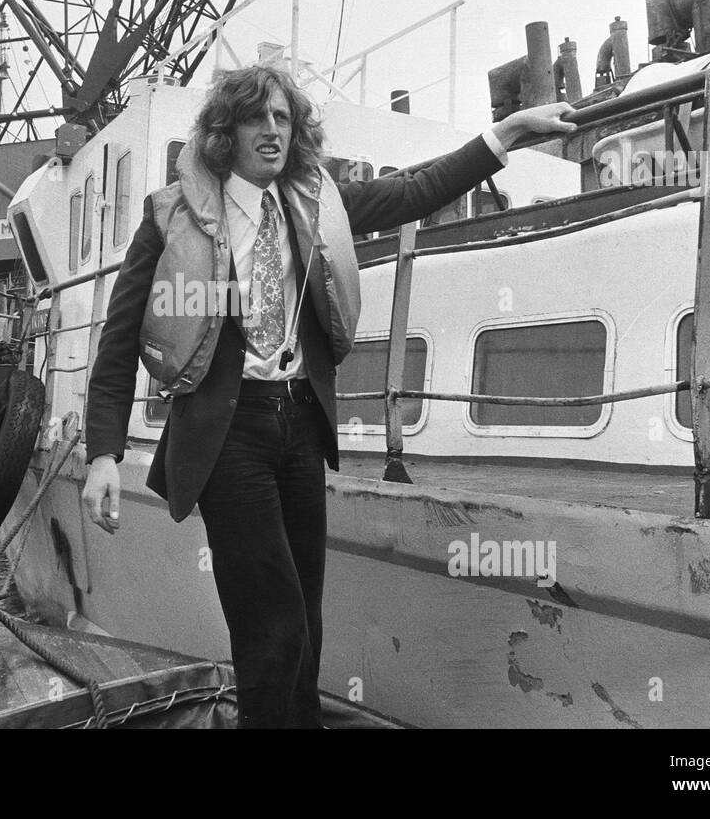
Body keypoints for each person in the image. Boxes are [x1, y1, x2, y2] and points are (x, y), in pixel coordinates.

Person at [82, 64, 575, 728]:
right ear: (227, 131)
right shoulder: (171, 217)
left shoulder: (313, 203)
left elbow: (412, 191)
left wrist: (502, 137)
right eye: (258, 117)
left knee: (304, 628)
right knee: (274, 628)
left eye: (284, 118)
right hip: (229, 438)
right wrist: (103, 454)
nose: (273, 130)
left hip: (298, 430)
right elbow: (117, 343)